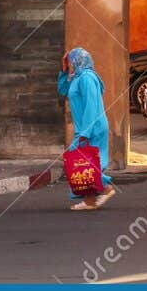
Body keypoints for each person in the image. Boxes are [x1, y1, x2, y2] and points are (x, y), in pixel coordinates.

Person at [58, 47, 116, 211]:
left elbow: (92, 105)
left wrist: (86, 132)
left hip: (92, 126)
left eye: (70, 62)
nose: (69, 65)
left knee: (81, 162)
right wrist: (63, 71)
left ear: (78, 61)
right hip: (85, 127)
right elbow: (63, 90)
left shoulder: (87, 78)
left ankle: (105, 188)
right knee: (84, 163)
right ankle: (90, 200)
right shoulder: (76, 77)